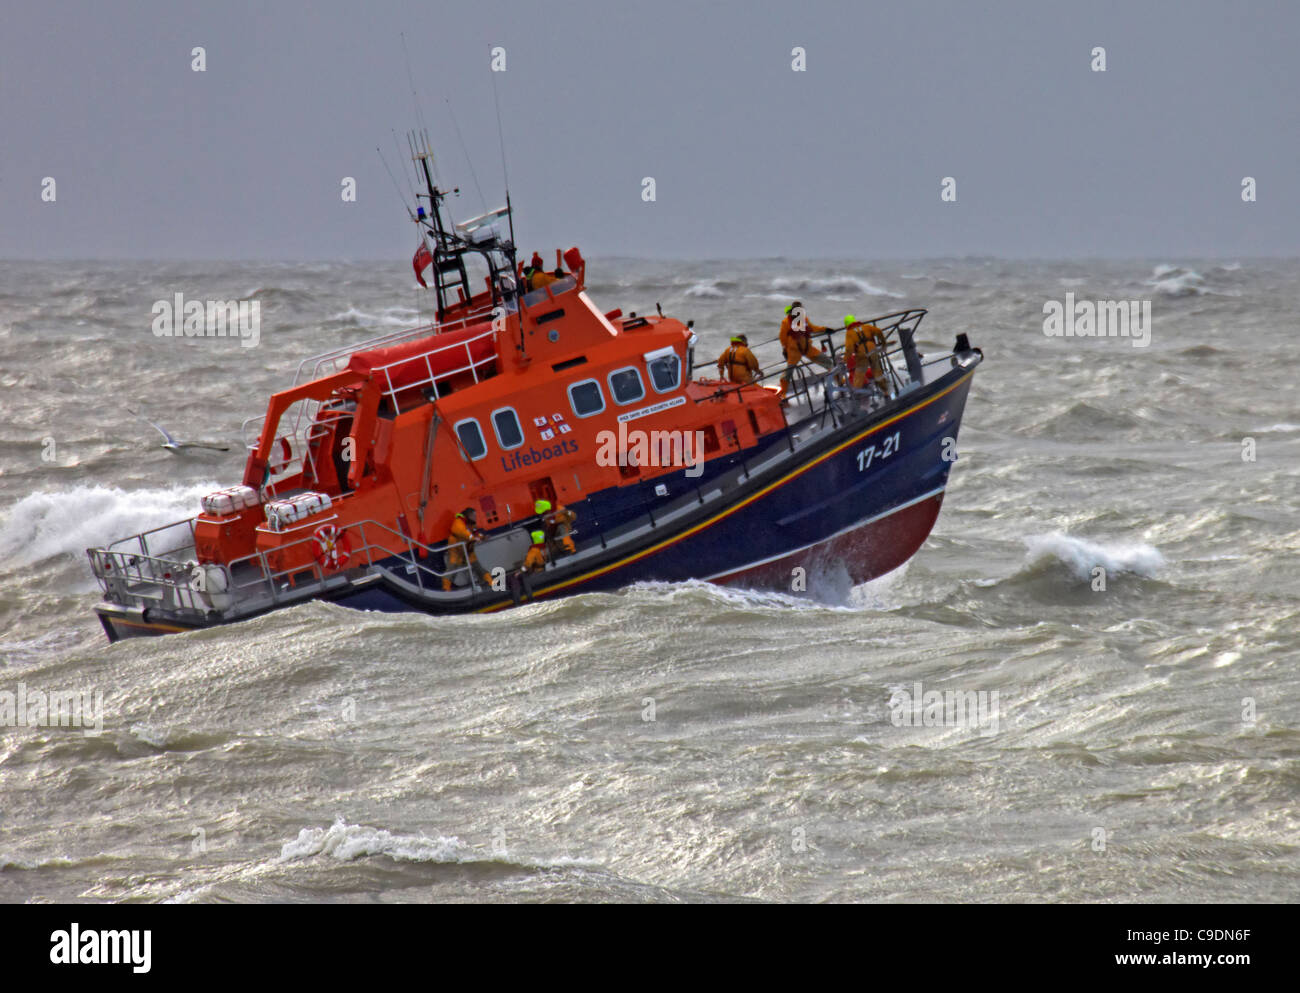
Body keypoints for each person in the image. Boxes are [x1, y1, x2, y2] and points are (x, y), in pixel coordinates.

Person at [778, 300, 833, 398]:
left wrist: (825, 329)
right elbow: (782, 337)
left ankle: (840, 382)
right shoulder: (786, 322)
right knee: (788, 373)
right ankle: (783, 394)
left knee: (827, 361)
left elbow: (812, 328)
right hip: (794, 351)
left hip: (808, 348)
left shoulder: (804, 319)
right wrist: (785, 349)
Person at [443, 507, 491, 591]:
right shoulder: (458, 522)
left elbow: (474, 533)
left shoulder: (471, 524)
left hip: (468, 548)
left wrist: (482, 537)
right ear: (468, 515)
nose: (475, 517)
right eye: (473, 515)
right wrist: (472, 538)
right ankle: (445, 588)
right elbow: (463, 532)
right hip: (456, 548)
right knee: (452, 568)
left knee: (477, 566)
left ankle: (489, 582)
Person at [843, 314, 891, 395]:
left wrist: (844, 360)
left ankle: (856, 394)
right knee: (877, 372)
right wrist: (883, 344)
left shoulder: (849, 333)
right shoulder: (867, 327)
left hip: (862, 355)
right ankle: (885, 391)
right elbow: (879, 331)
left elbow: (849, 349)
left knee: (859, 374)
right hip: (873, 351)